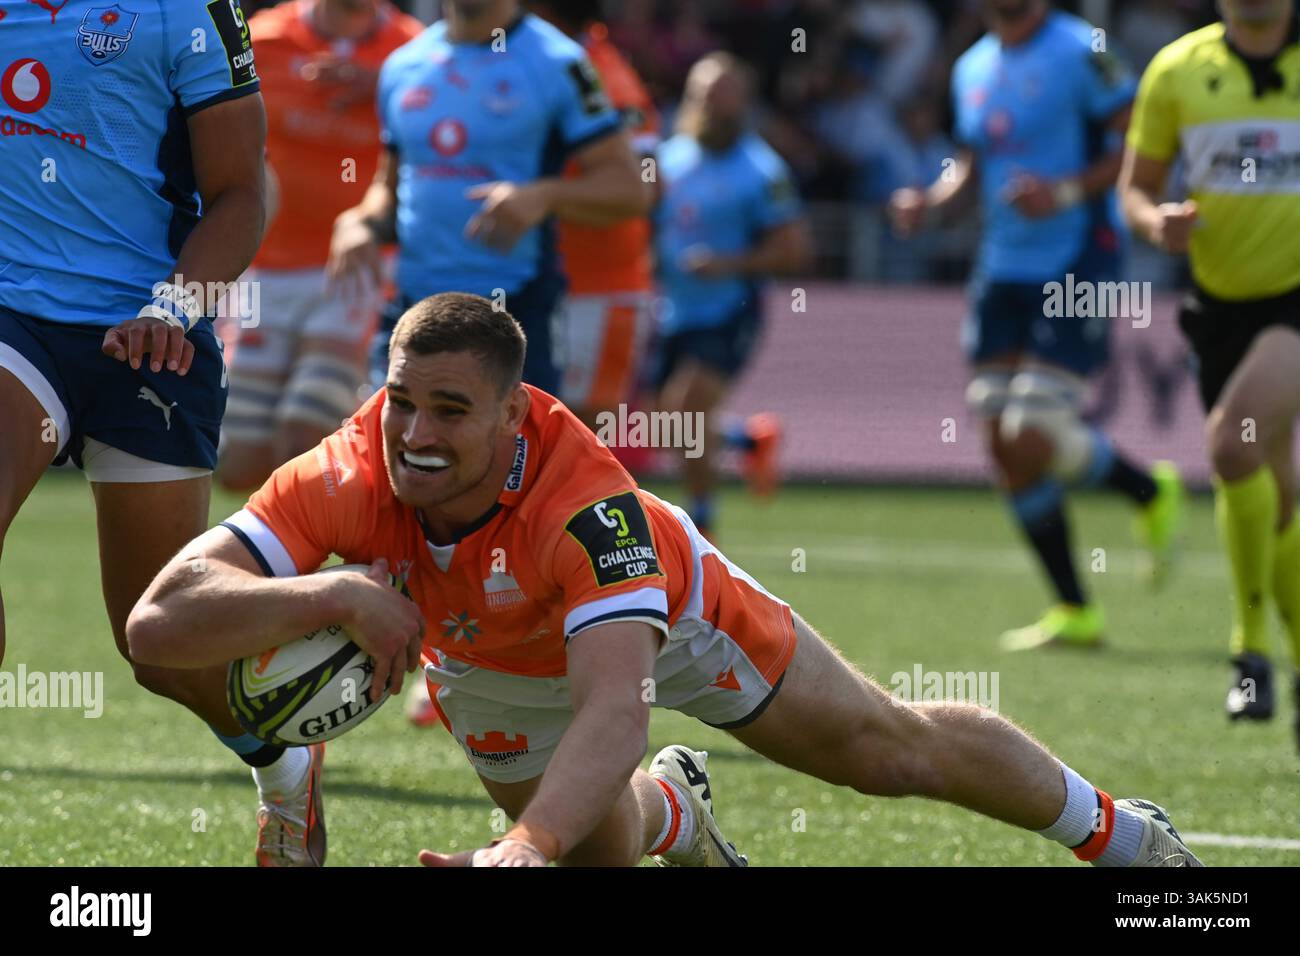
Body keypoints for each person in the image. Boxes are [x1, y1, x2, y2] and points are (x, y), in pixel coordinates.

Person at [127, 292, 1201, 868]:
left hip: (668, 620)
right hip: (486, 659)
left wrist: (520, 844)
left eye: (449, 411)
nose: (414, 433)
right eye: (403, 400)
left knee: (885, 749)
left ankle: (1118, 834)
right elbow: (159, 624)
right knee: (594, 855)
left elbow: (615, 703)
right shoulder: (353, 463)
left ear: (514, 413)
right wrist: (329, 594)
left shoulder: (586, 505)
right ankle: (673, 816)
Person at [0, 0, 313, 867]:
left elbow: (243, 193)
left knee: (157, 646)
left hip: (151, 334)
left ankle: (285, 764)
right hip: (11, 322)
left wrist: (173, 306)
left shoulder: (190, 9)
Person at [889, 0, 1183, 651]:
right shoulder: (972, 66)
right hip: (1001, 269)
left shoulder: (1082, 50)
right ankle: (1077, 609)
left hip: (1077, 255)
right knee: (1002, 443)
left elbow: (1139, 143)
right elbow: (970, 169)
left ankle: (1146, 490)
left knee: (1035, 428)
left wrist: (1068, 193)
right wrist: (930, 205)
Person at [1119, 0, 1300, 739]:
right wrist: (1154, 221)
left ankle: (1250, 652)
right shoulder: (1177, 69)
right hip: (1219, 306)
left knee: (1230, 447)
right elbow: (1134, 186)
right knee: (1279, 493)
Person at [327, 0, 650, 398]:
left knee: (509, 457)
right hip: (412, 307)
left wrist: (543, 195)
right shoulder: (403, 64)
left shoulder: (560, 62)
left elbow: (630, 189)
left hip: (513, 309)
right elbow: (388, 188)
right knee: (395, 452)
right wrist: (358, 222)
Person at [218, 0, 423, 491]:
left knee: (304, 430)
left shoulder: (412, 51)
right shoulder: (262, 39)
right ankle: (283, 542)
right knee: (237, 463)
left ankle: (317, 550)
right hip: (264, 272)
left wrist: (383, 84)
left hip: (353, 271)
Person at [652, 53, 812, 538]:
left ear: (742, 104)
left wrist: (725, 265)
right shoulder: (668, 159)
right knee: (667, 423)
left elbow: (793, 251)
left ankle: (701, 525)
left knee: (686, 408)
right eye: (705, 97)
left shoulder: (762, 170)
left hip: (730, 308)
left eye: (725, 99)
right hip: (673, 309)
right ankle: (748, 441)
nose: (713, 108)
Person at [527, 0, 660, 434]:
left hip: (600, 289)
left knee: (582, 441)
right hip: (541, 279)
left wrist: (541, 198)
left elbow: (647, 186)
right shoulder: (539, 62)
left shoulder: (605, 76)